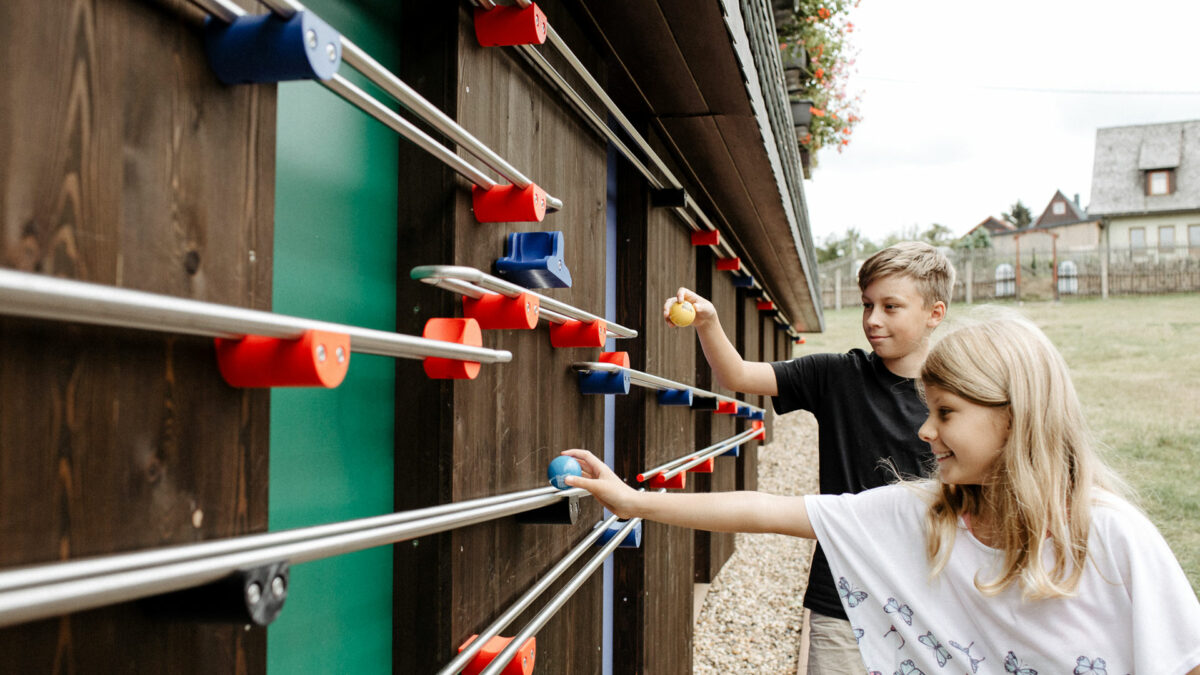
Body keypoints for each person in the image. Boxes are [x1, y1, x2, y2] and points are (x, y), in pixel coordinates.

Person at [563, 313, 1200, 674]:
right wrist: (634, 500)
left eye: (945, 413)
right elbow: (767, 509)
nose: (925, 431)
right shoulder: (923, 513)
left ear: (1015, 416)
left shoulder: (1113, 538)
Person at [665, 241, 954, 673]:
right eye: (867, 305)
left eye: (891, 307)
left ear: (935, 313)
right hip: (843, 599)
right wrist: (708, 322)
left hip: (932, 597)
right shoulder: (836, 375)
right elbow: (739, 374)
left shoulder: (959, 392)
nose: (873, 320)